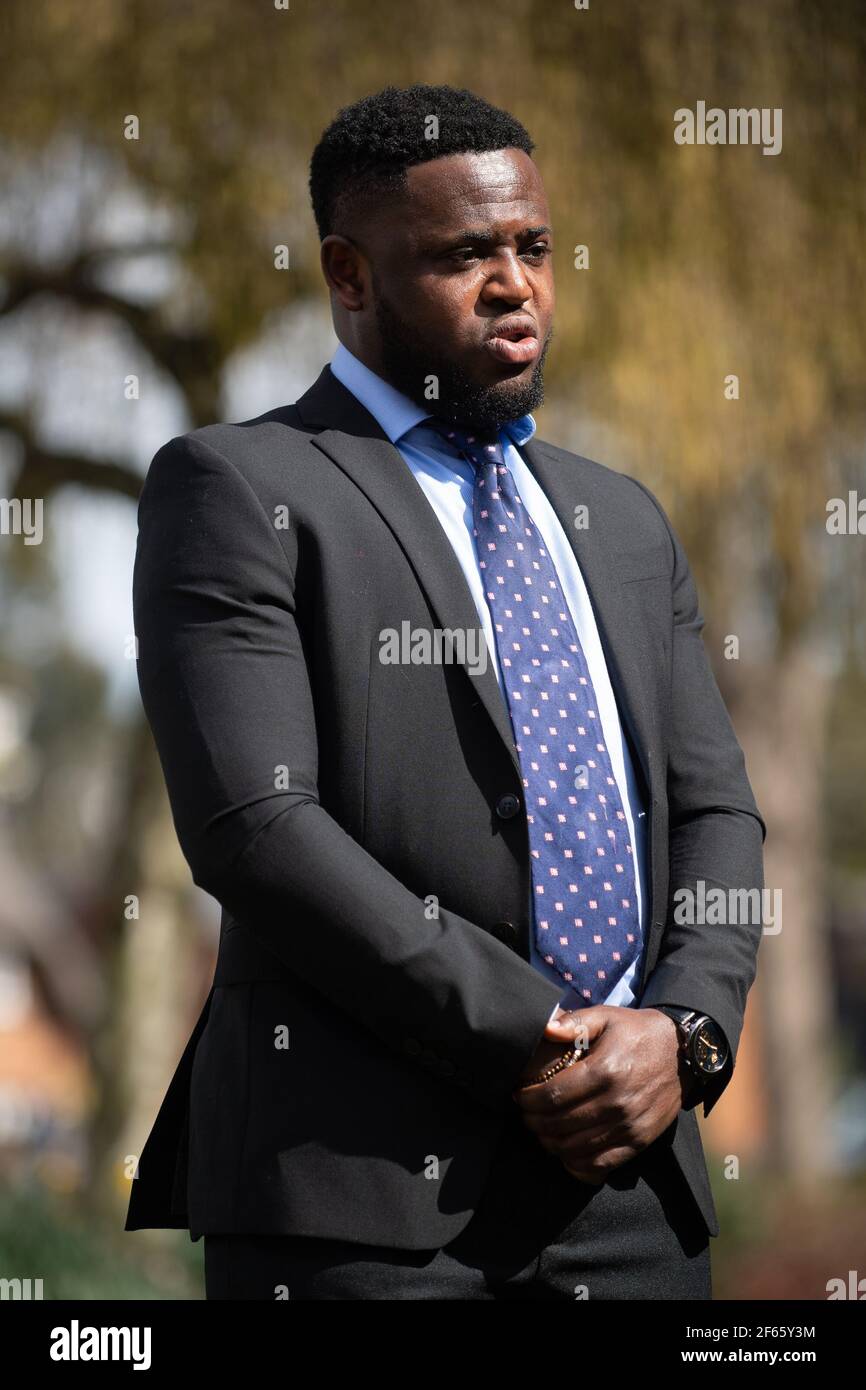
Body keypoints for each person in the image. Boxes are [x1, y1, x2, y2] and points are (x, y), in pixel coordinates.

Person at [125, 84, 766, 1300]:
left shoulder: (619, 519)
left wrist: (680, 1033)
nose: (515, 283)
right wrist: (548, 1037)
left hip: (632, 1190)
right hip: (360, 1206)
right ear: (349, 274)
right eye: (464, 255)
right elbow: (257, 828)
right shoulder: (238, 488)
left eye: (531, 247)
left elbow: (717, 813)